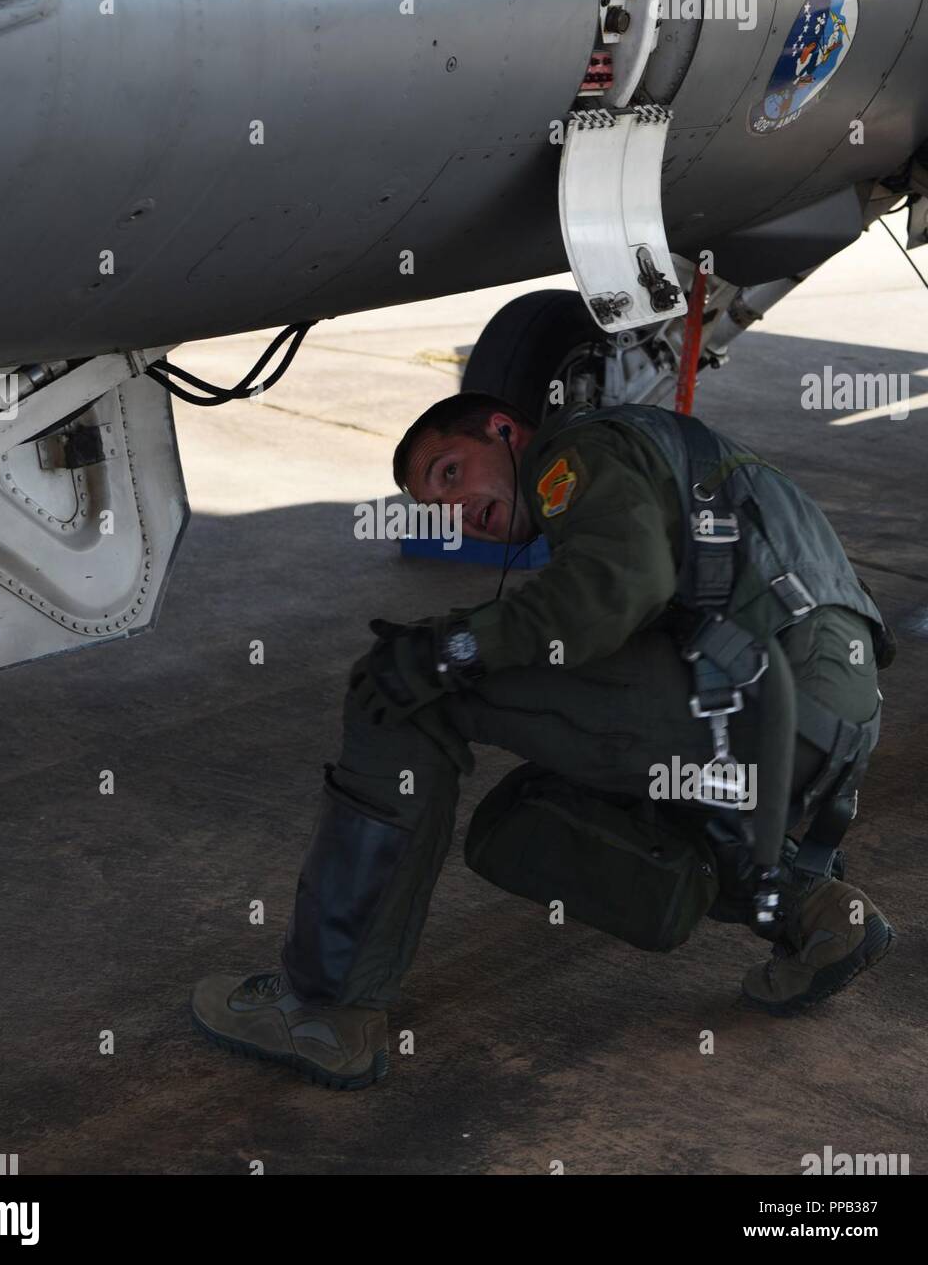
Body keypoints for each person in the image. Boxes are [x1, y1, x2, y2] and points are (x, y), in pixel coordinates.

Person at [191, 392, 896, 1090]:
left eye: (450, 473)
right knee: (543, 807)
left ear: (505, 430)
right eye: (437, 508)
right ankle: (815, 910)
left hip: (758, 698)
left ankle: (322, 1011)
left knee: (397, 689)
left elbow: (609, 589)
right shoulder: (681, 451)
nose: (455, 511)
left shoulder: (572, 453)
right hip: (823, 718)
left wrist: (450, 649)